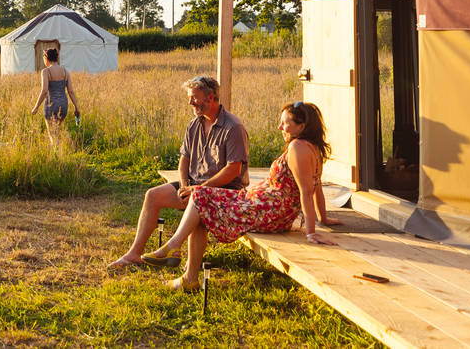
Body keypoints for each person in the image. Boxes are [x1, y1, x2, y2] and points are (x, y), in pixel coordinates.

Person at [143, 101, 344, 292]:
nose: (279, 127)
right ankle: (186, 271)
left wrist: (311, 232)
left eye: (285, 123)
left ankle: (174, 251)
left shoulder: (298, 148)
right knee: (201, 199)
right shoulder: (312, 147)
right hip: (263, 206)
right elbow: (316, 186)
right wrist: (323, 218)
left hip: (268, 211)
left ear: (302, 126)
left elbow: (307, 191)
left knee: (201, 195)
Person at [108, 75, 248, 270]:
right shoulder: (194, 124)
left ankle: (182, 259)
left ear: (210, 97)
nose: (190, 102)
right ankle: (134, 254)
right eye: (190, 97)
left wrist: (198, 189)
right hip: (195, 185)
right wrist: (184, 186)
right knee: (153, 195)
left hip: (225, 192)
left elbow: (234, 170)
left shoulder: (233, 127)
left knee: (197, 203)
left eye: (194, 97)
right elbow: (185, 158)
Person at [29, 48, 81, 144]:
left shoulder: (45, 71)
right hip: (63, 105)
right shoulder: (65, 71)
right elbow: (71, 91)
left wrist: (36, 107)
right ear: (57, 57)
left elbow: (44, 90)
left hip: (51, 105)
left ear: (46, 58)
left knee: (52, 133)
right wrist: (76, 107)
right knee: (57, 131)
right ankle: (58, 151)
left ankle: (56, 154)